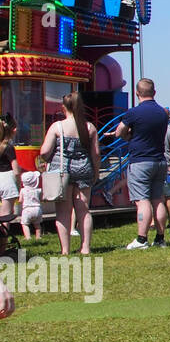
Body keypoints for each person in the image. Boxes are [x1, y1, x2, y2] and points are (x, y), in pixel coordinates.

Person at [39, 92, 101, 256]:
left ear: (63, 107)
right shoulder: (89, 127)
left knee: (63, 213)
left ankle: (65, 250)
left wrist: (48, 158)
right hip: (84, 170)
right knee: (84, 210)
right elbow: (95, 154)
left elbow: (44, 151)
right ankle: (85, 248)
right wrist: (95, 172)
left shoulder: (57, 127)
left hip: (62, 172)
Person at [116, 79, 170, 250]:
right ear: (154, 92)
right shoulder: (163, 113)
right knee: (158, 199)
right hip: (160, 160)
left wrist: (129, 136)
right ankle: (161, 238)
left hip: (140, 160)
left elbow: (119, 132)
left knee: (142, 201)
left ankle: (141, 239)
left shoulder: (133, 113)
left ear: (137, 93)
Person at [19, 159, 42, 241]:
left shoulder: (23, 190)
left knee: (25, 224)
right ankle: (38, 236)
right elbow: (41, 197)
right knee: (37, 225)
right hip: (37, 209)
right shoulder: (38, 190)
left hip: (27, 210)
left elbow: (20, 200)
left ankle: (28, 237)